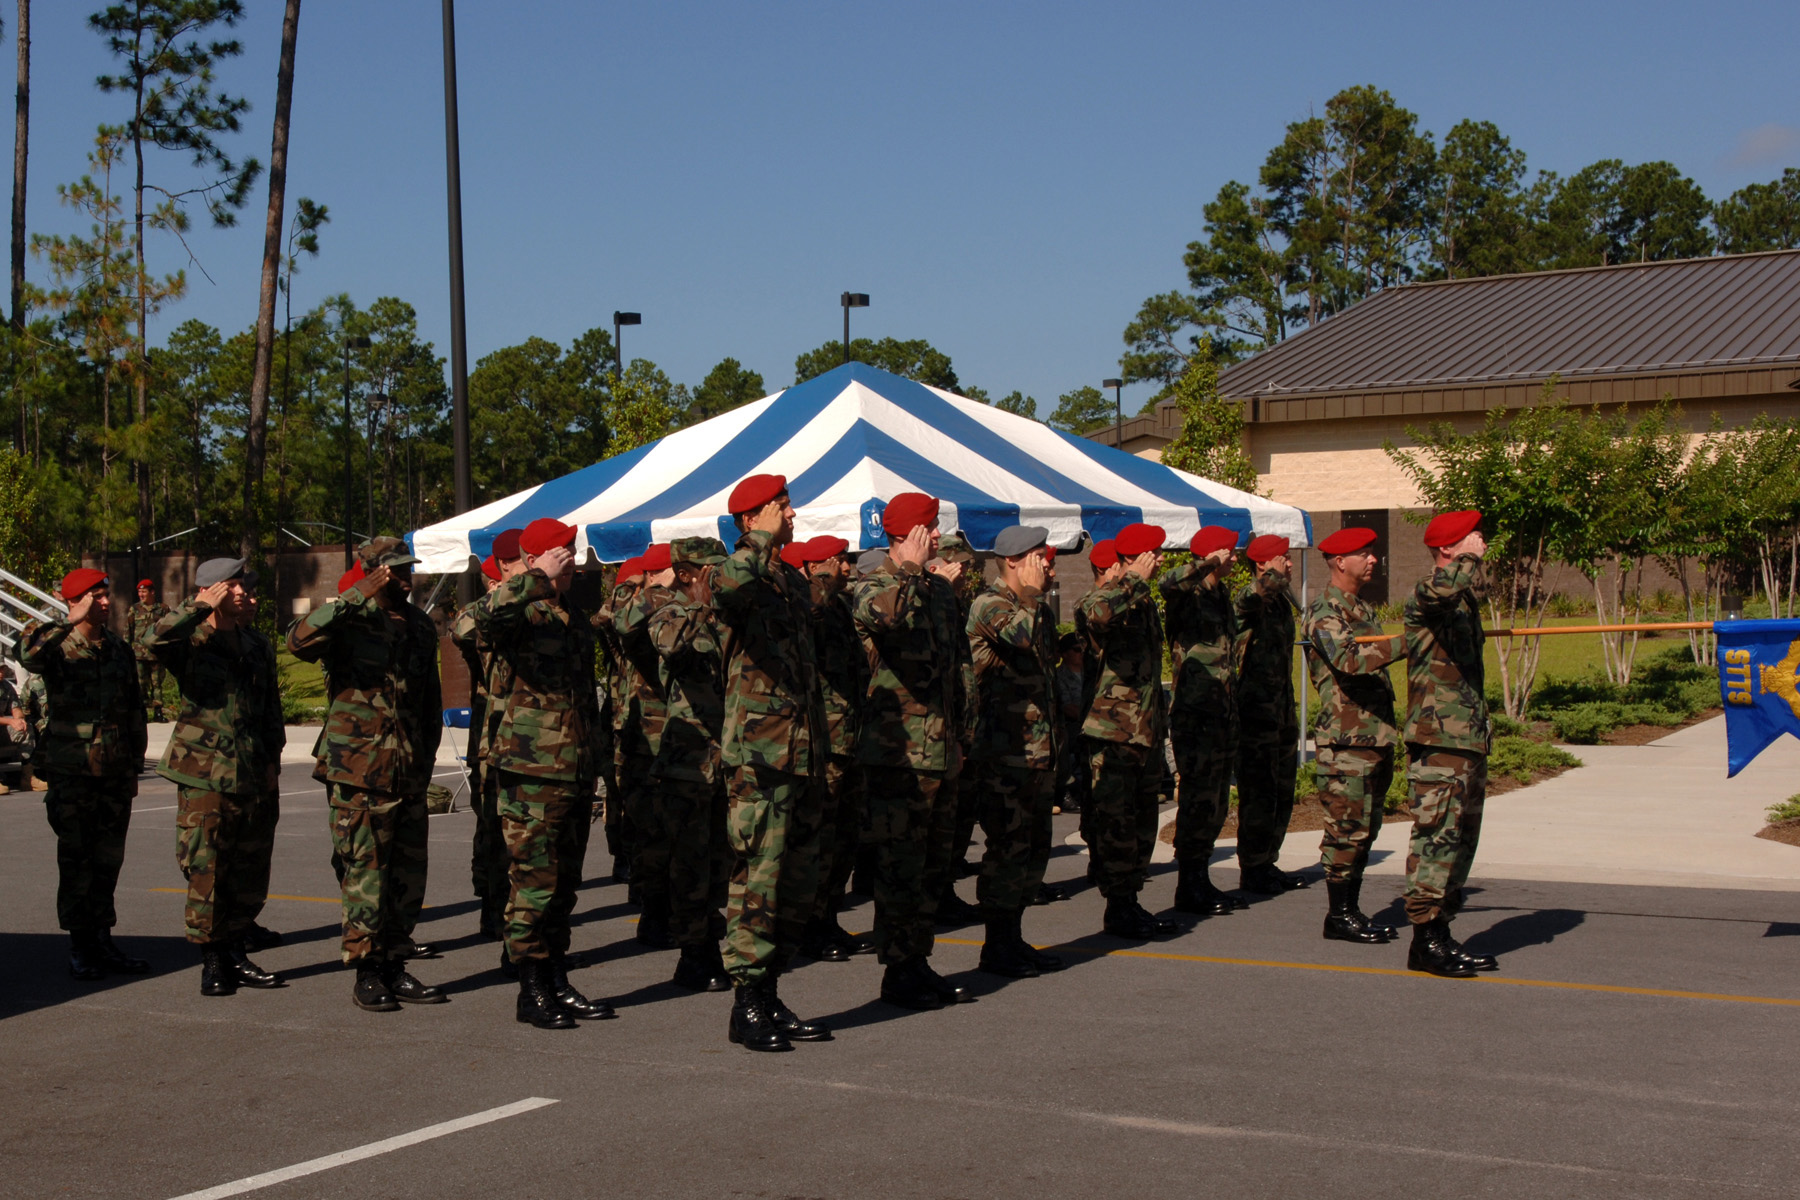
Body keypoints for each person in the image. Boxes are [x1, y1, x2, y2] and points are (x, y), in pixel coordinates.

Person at [288, 538, 447, 1011]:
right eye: (394, 571)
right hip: (358, 769)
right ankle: (366, 971)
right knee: (365, 874)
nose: (404, 579)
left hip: (408, 770)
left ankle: (396, 964)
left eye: (408, 570)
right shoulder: (348, 617)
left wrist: (426, 758)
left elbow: (429, 701)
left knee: (407, 876)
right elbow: (297, 641)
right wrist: (357, 594)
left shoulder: (419, 626)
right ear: (373, 571)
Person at [473, 518, 615, 1028]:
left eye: (572, 550)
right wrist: (531, 578)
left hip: (572, 768)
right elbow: (473, 622)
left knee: (564, 885)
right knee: (533, 883)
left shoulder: (571, 616)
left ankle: (555, 977)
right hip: (531, 772)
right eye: (561, 551)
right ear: (536, 558)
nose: (571, 559)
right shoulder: (519, 610)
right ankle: (530, 988)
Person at [713, 474, 832, 1050]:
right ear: (749, 519)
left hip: (801, 750)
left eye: (787, 502)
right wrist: (759, 540)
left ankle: (770, 992)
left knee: (795, 882)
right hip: (759, 756)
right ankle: (747, 1003)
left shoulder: (786, 578)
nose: (791, 511)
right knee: (757, 881)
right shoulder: (737, 567)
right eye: (779, 505)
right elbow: (727, 587)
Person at [854, 492, 975, 1011]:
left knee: (932, 867)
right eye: (931, 529)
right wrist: (907, 570)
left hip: (942, 749)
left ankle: (918, 959)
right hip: (897, 758)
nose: (939, 538)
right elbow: (887, 621)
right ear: (913, 534)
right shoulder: (875, 586)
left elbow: (958, 668)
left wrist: (964, 736)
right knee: (900, 867)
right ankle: (896, 969)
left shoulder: (937, 592)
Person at [149, 558, 285, 995]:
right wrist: (197, 607)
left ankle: (237, 948)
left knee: (249, 865)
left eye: (244, 585)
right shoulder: (191, 640)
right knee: (207, 866)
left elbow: (269, 707)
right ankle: (212, 958)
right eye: (234, 586)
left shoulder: (254, 642)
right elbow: (153, 640)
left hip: (250, 767)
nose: (244, 592)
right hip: (204, 771)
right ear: (211, 591)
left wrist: (272, 760)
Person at [19, 569, 149, 980]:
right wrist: (70, 619)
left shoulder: (116, 647)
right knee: (77, 860)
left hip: (113, 768)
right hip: (72, 771)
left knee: (108, 859)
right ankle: (80, 944)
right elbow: (29, 655)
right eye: (96, 596)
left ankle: (103, 939)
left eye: (107, 594)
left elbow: (133, 708)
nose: (106, 602)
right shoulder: (57, 642)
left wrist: (133, 766)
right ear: (77, 599)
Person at [965, 523, 1065, 978]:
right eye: (1037, 556)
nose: (1046, 563)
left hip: (1036, 751)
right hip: (1004, 751)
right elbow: (1020, 637)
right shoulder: (992, 604)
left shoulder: (1032, 607)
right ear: (1012, 560)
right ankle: (996, 945)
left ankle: (1014, 937)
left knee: (1032, 849)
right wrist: (1031, 594)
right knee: (1006, 848)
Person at [1402, 510, 1498, 978]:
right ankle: (1423, 942)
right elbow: (1441, 590)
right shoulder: (1427, 592)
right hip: (1437, 739)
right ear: (1446, 549)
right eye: (1471, 536)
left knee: (1460, 843)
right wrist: (1468, 561)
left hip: (1466, 739)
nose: (1481, 541)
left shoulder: (1463, 600)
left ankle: (1442, 932)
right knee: (1435, 839)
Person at [1078, 523, 1178, 939]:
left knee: (1142, 822)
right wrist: (1133, 578)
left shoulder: (1142, 602)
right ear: (1134, 559)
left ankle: (1132, 900)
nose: (1159, 562)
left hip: (1145, 731)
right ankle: (1117, 907)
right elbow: (1097, 614)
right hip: (1114, 733)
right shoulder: (1103, 598)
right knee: (1117, 823)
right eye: (1153, 555)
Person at [1304, 527, 1402, 947]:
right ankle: (1339, 915)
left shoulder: (1359, 607)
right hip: (1346, 743)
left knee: (1366, 829)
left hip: (1372, 738)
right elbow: (1349, 660)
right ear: (1340, 561)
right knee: (1346, 830)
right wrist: (1408, 642)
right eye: (1364, 553)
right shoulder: (1325, 612)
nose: (1373, 559)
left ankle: (1352, 909)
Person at [646, 536, 734, 992]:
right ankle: (693, 953)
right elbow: (669, 646)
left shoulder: (724, 615)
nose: (717, 576)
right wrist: (699, 607)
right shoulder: (669, 612)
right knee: (690, 860)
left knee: (721, 856)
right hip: (689, 758)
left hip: (728, 753)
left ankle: (712, 940)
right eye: (709, 569)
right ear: (686, 574)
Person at [1161, 525, 1246, 918]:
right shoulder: (1188, 593)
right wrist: (1208, 560)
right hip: (1195, 714)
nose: (1236, 556)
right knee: (1197, 800)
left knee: (1215, 802)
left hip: (1221, 711)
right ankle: (1188, 885)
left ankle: (1200, 878)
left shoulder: (1220, 593)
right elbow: (1168, 582)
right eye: (1230, 550)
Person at [796, 534, 872, 963]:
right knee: (821, 840)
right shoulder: (813, 601)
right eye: (838, 561)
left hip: (852, 737)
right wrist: (818, 579)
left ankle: (828, 918)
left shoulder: (842, 605)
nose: (847, 568)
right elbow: (811, 614)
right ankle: (810, 924)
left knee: (844, 839)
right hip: (826, 739)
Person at [1234, 534, 1309, 894]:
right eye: (1283, 559)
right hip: (1255, 712)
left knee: (1281, 789)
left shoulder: (1279, 603)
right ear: (1263, 565)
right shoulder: (1251, 598)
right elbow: (1246, 602)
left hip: (1280, 709)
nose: (1290, 565)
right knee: (1259, 792)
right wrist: (1271, 579)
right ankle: (1252, 866)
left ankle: (1267, 860)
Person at [615, 543, 678, 944]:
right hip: (646, 739)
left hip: (673, 734)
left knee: (673, 832)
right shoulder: (642, 608)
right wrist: (654, 587)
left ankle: (673, 909)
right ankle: (653, 915)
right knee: (652, 833)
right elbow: (618, 618)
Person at [450, 547, 509, 939]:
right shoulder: (483, 615)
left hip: (517, 738)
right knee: (491, 823)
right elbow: (464, 630)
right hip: (490, 736)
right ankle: (491, 904)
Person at [126, 579, 169, 724]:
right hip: (139, 655)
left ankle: (158, 712)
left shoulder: (163, 609)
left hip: (156, 653)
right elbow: (128, 631)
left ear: (152, 592)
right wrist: (126, 651)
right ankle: (142, 713)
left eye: (144, 591)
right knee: (140, 684)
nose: (141, 594)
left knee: (157, 684)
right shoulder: (134, 609)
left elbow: (169, 629)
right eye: (139, 592)